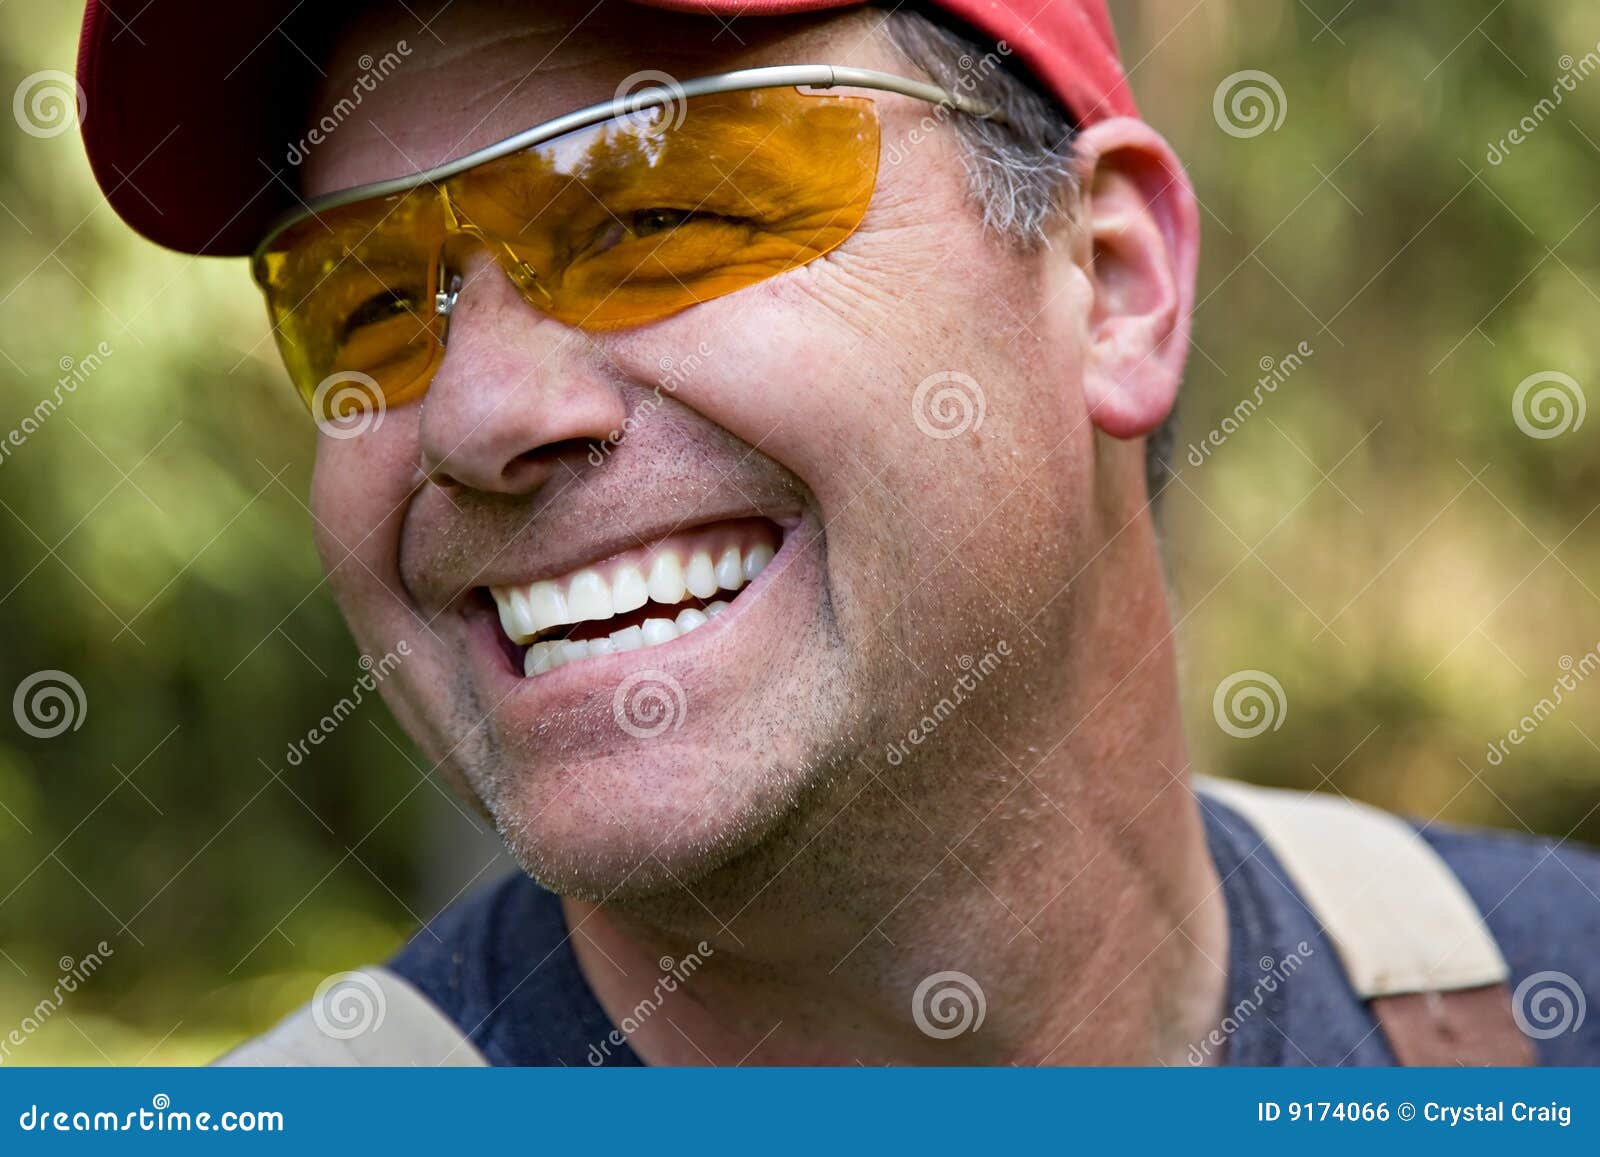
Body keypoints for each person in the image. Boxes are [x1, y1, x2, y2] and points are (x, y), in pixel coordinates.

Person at [76, 0, 1599, 1066]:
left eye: (659, 217)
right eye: (368, 302)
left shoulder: (1548, 992)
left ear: (1114, 282)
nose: (476, 414)